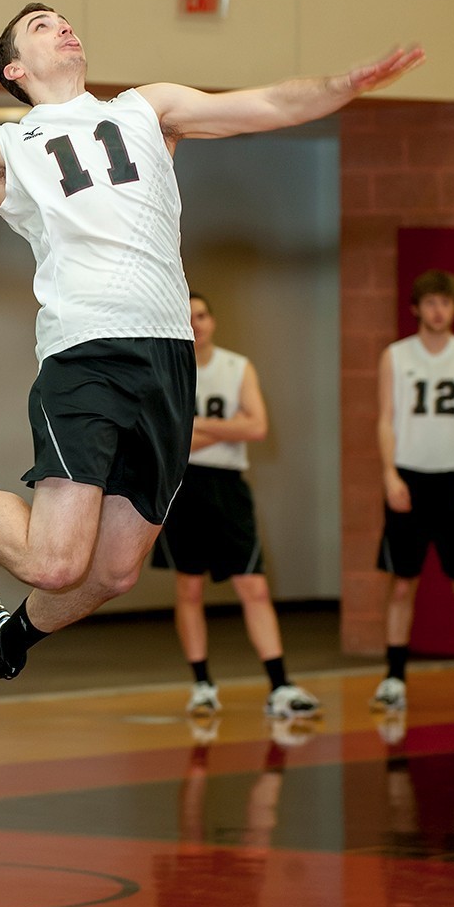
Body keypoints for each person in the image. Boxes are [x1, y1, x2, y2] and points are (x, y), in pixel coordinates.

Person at [0, 0, 424, 719]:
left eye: (64, 18)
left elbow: (270, 104)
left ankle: (1, 642)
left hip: (168, 360)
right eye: (41, 24)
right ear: (14, 68)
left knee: (110, 574)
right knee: (54, 562)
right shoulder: (4, 148)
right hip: (87, 353)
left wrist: (345, 83)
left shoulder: (148, 109)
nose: (62, 27)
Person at [151, 294, 322, 720]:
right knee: (189, 588)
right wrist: (229, 429)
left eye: (204, 314)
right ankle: (202, 686)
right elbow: (167, 439)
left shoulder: (237, 367)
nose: (199, 323)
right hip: (181, 487)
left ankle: (280, 685)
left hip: (227, 488)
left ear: (213, 320)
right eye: (190, 317)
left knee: (254, 586)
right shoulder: (164, 369)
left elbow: (258, 426)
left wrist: (196, 428)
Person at [371, 268, 454, 712]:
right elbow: (385, 417)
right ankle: (394, 678)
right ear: (416, 308)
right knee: (402, 584)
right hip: (409, 477)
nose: (438, 309)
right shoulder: (396, 356)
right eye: (430, 302)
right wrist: (390, 474)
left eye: (445, 302)